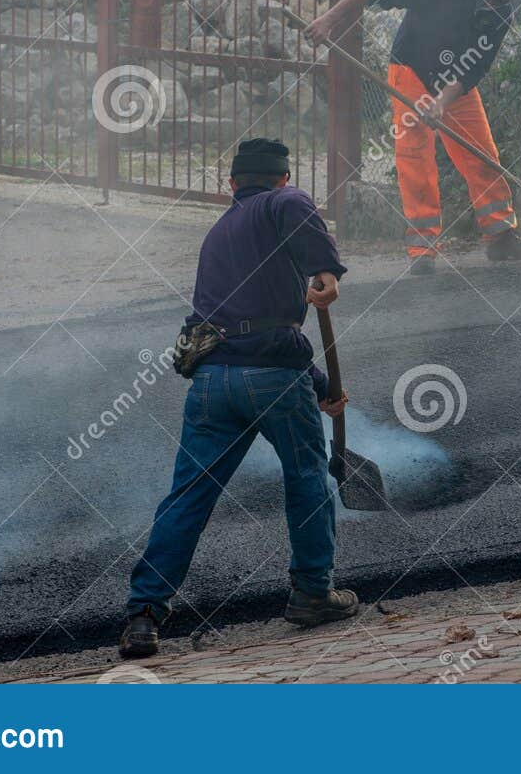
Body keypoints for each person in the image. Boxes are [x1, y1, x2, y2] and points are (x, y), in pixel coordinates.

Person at [120, 138, 357, 659]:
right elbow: (296, 211)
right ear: (282, 179)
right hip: (272, 379)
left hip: (212, 384)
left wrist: (321, 389)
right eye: (287, 183)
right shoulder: (283, 203)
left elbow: (249, 327)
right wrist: (326, 271)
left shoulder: (218, 233)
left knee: (188, 498)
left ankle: (144, 614)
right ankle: (314, 593)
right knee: (306, 479)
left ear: (230, 185)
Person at [305, 0, 521, 275]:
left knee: (483, 154)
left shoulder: (501, 12)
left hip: (455, 86)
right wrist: (330, 20)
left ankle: (502, 237)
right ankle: (423, 248)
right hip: (411, 72)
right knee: (415, 158)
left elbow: (476, 66)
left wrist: (442, 101)